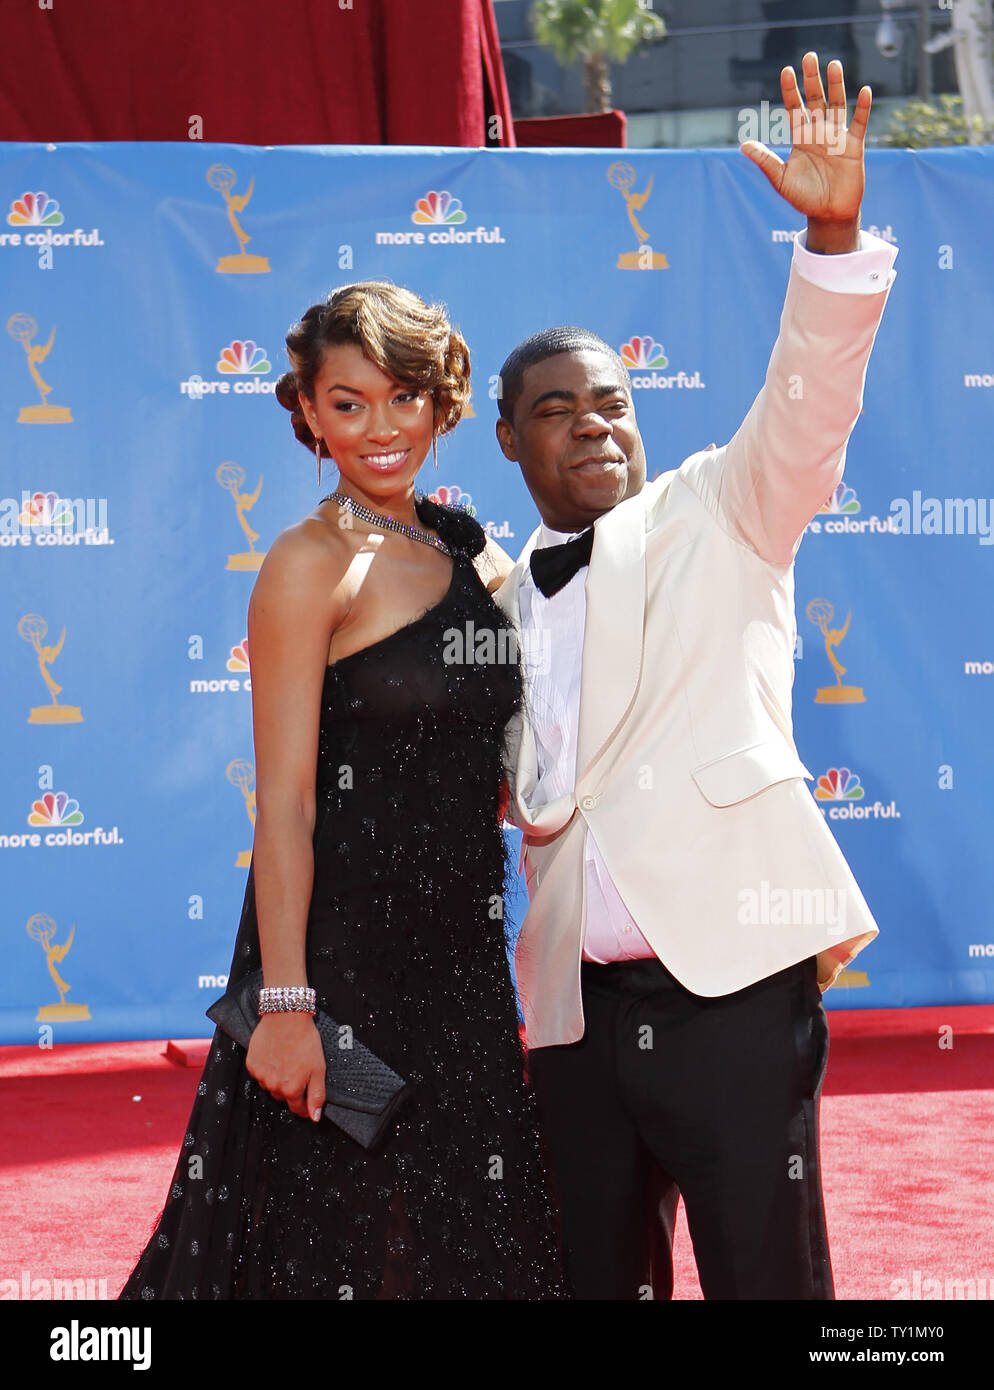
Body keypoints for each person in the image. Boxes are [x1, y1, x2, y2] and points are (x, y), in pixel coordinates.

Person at [492, 54, 896, 1300]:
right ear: (508, 437)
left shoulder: (721, 509)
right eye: (558, 409)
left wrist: (829, 236)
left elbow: (806, 403)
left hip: (728, 984)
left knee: (767, 1281)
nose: (595, 424)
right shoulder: (493, 600)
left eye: (611, 402)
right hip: (573, 1012)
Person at [119, 281, 566, 1300]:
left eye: (403, 397)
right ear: (309, 414)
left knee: (471, 1218)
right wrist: (285, 1006)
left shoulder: (467, 549)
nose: (380, 428)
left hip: (462, 953)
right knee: (342, 1236)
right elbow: (284, 804)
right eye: (349, 402)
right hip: (343, 960)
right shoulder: (306, 564)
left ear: (443, 399)